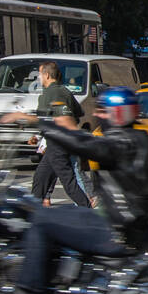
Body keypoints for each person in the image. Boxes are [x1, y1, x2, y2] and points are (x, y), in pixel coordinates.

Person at [0, 87, 148, 294]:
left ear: (119, 113)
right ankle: (55, 280)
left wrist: (37, 123)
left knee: (41, 220)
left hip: (116, 229)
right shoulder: (136, 137)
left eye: (103, 111)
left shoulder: (122, 142)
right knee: (58, 211)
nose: (98, 115)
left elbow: (84, 144)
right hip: (121, 223)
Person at [21, 62, 91, 208]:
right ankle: (34, 210)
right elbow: (79, 112)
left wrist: (37, 135)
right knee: (41, 176)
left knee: (68, 181)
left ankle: (87, 210)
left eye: (40, 75)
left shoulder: (46, 95)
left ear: (47, 75)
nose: (39, 78)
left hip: (56, 143)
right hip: (67, 140)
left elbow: (43, 120)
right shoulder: (65, 91)